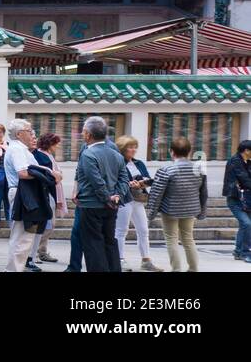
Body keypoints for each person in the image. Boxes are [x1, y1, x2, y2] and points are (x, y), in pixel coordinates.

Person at [76, 115, 129, 272]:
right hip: (112, 205)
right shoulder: (116, 154)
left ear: (88, 134)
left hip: (91, 204)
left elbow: (96, 181)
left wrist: (107, 197)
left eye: (83, 132)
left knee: (93, 243)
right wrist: (117, 195)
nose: (82, 134)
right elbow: (124, 178)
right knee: (109, 240)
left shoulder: (88, 154)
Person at [146, 136, 207, 272]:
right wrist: (202, 212)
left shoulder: (166, 170)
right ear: (189, 152)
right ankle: (193, 269)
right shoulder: (199, 170)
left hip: (170, 210)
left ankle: (176, 269)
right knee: (188, 239)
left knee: (171, 240)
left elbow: (157, 194)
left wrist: (151, 213)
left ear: (171, 151)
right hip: (190, 210)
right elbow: (203, 192)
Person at [114, 135, 159, 271]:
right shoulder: (117, 163)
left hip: (138, 199)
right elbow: (115, 181)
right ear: (122, 149)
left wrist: (141, 183)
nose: (133, 150)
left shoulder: (138, 163)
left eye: (135, 147)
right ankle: (119, 259)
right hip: (124, 199)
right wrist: (129, 183)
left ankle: (146, 260)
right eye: (130, 147)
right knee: (121, 230)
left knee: (143, 230)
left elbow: (149, 179)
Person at [2, 119, 41, 272]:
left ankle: (16, 267)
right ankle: (13, 269)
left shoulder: (21, 149)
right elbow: (23, 173)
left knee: (23, 235)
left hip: (22, 192)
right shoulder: (17, 149)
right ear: (19, 134)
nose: (32, 134)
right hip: (22, 193)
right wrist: (47, 175)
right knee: (22, 235)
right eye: (29, 131)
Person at [32, 132, 68, 264]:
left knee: (49, 224)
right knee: (47, 224)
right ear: (49, 143)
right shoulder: (41, 155)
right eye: (56, 144)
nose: (57, 146)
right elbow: (48, 175)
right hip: (46, 193)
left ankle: (42, 251)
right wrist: (57, 176)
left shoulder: (48, 155)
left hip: (52, 192)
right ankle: (35, 252)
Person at [223, 139, 251, 262]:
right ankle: (244, 253)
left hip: (246, 198)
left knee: (244, 225)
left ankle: (238, 252)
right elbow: (245, 180)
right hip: (235, 199)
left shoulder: (247, 161)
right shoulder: (235, 161)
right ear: (246, 151)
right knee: (247, 224)